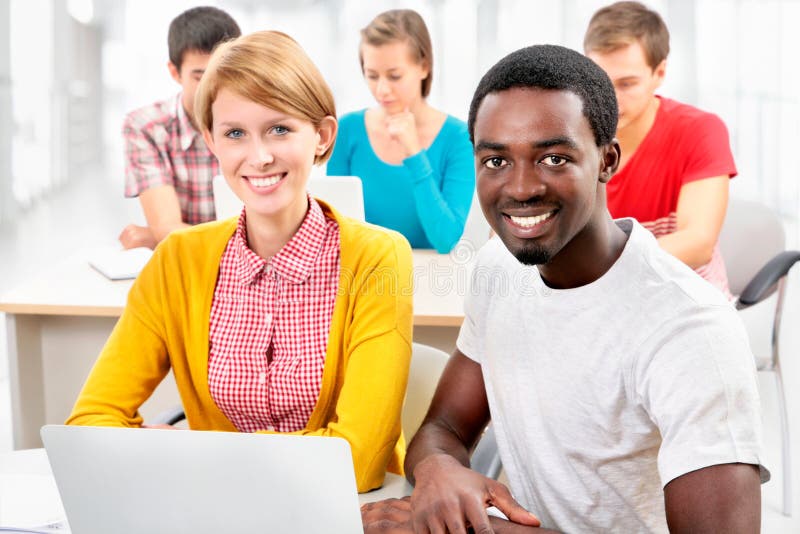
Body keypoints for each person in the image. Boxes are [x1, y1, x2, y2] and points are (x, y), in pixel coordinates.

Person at [362, 44, 766, 532]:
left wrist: (480, 530)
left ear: (606, 160)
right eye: (496, 161)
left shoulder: (689, 328)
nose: (520, 188)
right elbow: (444, 427)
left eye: (553, 158)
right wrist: (439, 473)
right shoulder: (499, 268)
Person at [68, 30, 414, 494]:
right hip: (221, 510)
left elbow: (357, 460)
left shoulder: (378, 258)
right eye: (235, 133)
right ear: (211, 141)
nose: (260, 156)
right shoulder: (178, 260)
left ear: (321, 136)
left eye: (280, 129)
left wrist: (194, 453)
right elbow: (90, 422)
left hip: (348, 512)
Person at [584, 1, 736, 297]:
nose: (611, 99)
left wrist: (597, 269)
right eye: (600, 82)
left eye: (627, 84)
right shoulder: (573, 135)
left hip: (689, 303)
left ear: (660, 72)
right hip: (608, 300)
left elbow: (698, 243)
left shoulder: (700, 130)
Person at [326, 9, 474, 254]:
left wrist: (414, 154)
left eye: (394, 76)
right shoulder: (347, 131)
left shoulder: (458, 139)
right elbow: (333, 230)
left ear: (424, 67)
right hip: (364, 270)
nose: (382, 90)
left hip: (429, 273)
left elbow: (446, 239)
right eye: (372, 76)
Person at [118, 6, 241, 250]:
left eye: (225, 73)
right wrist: (165, 235)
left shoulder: (257, 120)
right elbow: (167, 229)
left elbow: (169, 236)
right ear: (175, 72)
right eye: (200, 77)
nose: (214, 87)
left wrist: (159, 238)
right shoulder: (146, 127)